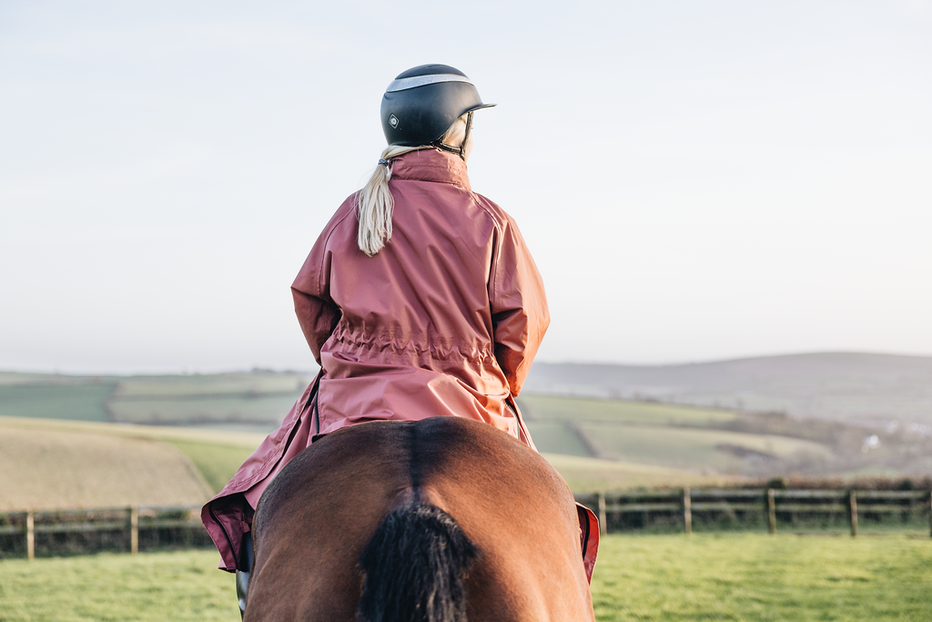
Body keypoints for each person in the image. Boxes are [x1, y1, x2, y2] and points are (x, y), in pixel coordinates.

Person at [201, 64, 593, 615]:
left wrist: (347, 362)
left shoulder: (355, 211)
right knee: (555, 527)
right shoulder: (491, 222)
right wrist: (498, 381)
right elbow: (525, 323)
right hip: (470, 397)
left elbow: (309, 299)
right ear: (457, 131)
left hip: (350, 402)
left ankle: (250, 593)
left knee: (260, 512)